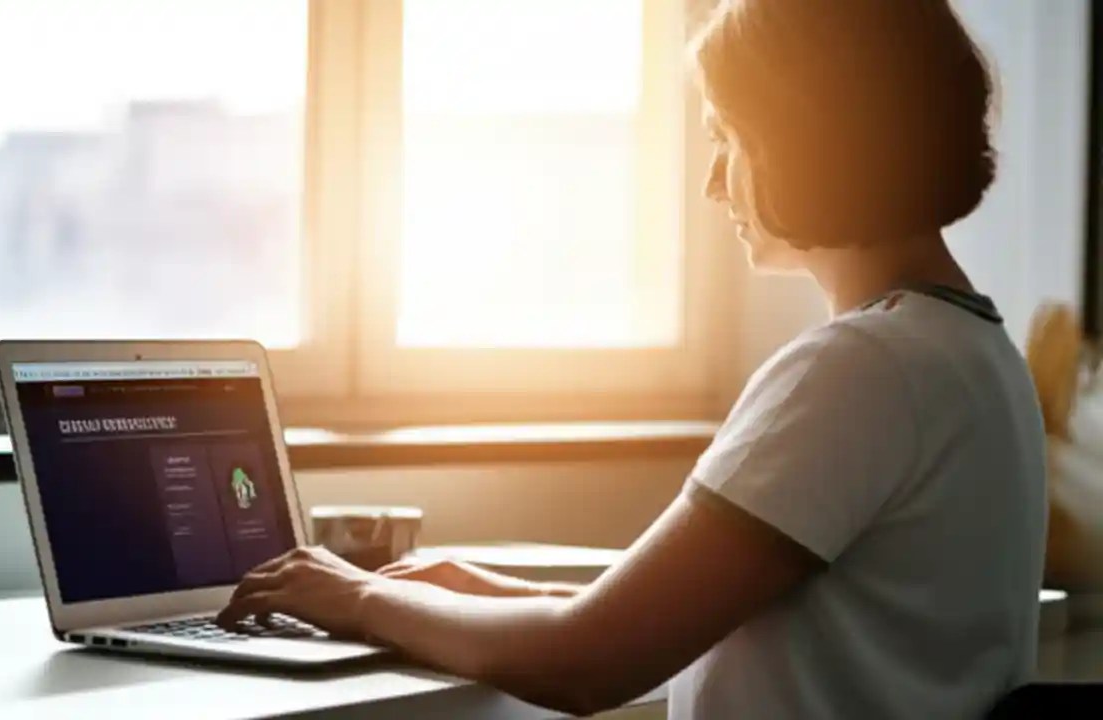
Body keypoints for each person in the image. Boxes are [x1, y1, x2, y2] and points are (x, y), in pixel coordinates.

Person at [217, 0, 1048, 716]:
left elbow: (591, 662)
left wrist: (359, 596)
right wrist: (477, 594)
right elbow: (665, 618)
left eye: (729, 139)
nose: (714, 184)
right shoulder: (971, 352)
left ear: (811, 137)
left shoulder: (862, 367)